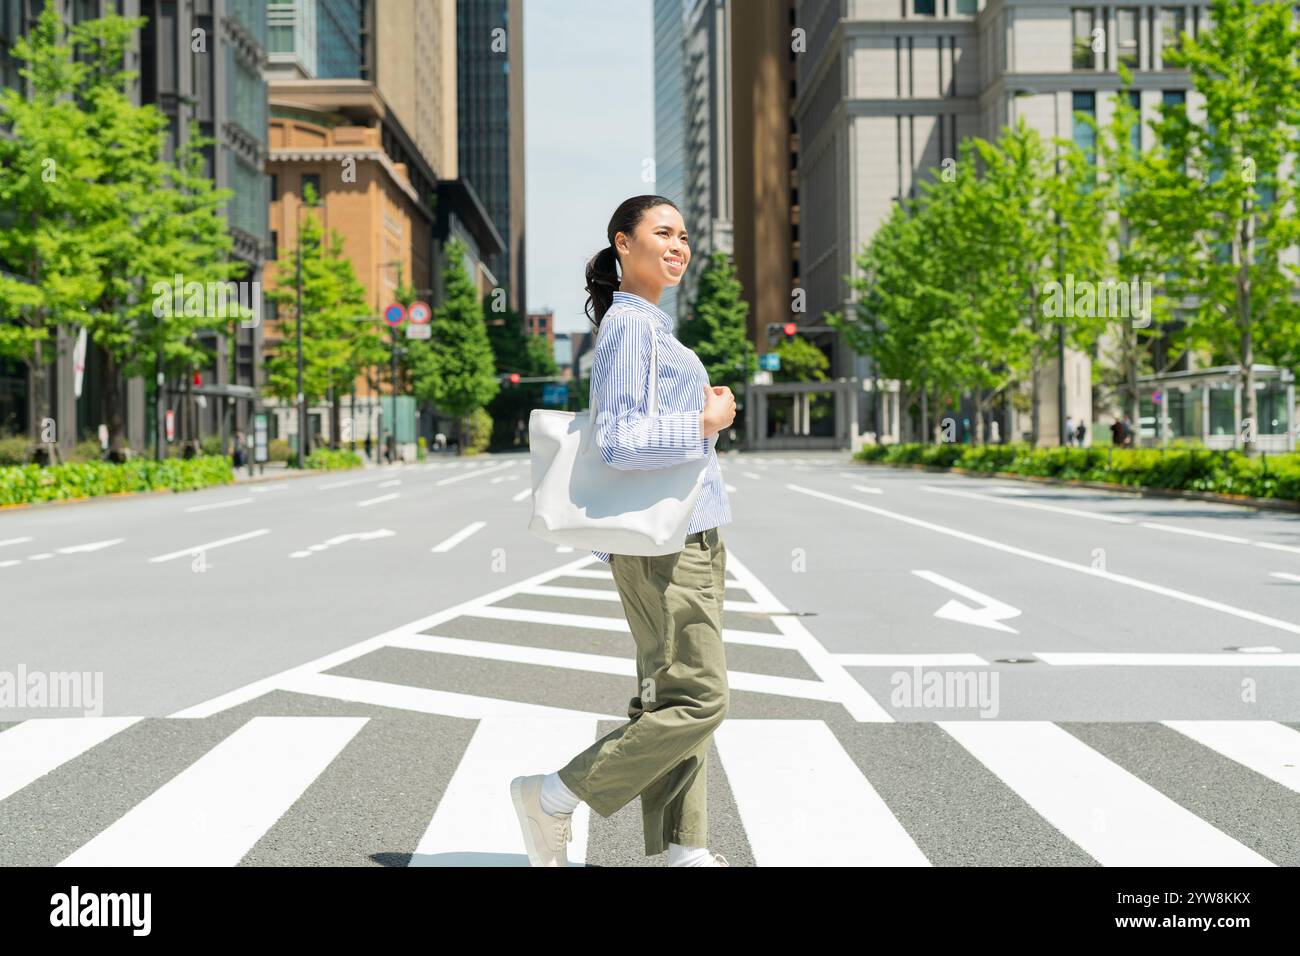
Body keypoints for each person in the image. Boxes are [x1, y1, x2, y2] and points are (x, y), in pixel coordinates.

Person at [511, 195, 736, 868]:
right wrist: (705, 423)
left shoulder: (649, 325)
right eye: (662, 232)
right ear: (623, 244)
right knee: (700, 698)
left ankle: (680, 849)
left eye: (684, 235)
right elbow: (620, 441)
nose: (679, 245)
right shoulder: (631, 327)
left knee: (673, 695)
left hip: (686, 533)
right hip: (665, 544)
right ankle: (554, 794)